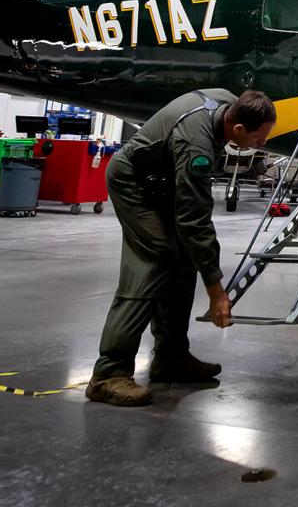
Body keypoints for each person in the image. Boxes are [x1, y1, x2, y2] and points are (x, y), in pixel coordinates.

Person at [86, 89, 277, 407]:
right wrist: (216, 290)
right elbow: (194, 220)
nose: (261, 145)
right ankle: (108, 374)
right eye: (259, 138)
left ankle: (170, 358)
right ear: (239, 129)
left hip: (160, 182)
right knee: (154, 261)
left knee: (183, 260)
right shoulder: (196, 144)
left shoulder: (228, 105)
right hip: (134, 184)